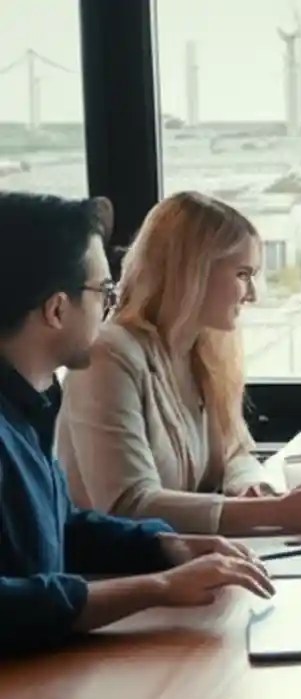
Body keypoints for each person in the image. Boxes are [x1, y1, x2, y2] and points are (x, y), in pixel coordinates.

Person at [0, 191, 274, 653]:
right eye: (103, 293)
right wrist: (159, 587)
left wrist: (167, 548)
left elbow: (63, 527)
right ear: (56, 309)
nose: (111, 308)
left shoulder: (29, 409)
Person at [57, 192, 301, 534]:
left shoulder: (205, 350)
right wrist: (275, 512)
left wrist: (254, 490)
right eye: (243, 274)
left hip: (186, 563)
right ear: (193, 271)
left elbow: (235, 453)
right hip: (118, 576)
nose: (253, 294)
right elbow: (129, 505)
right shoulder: (108, 355)